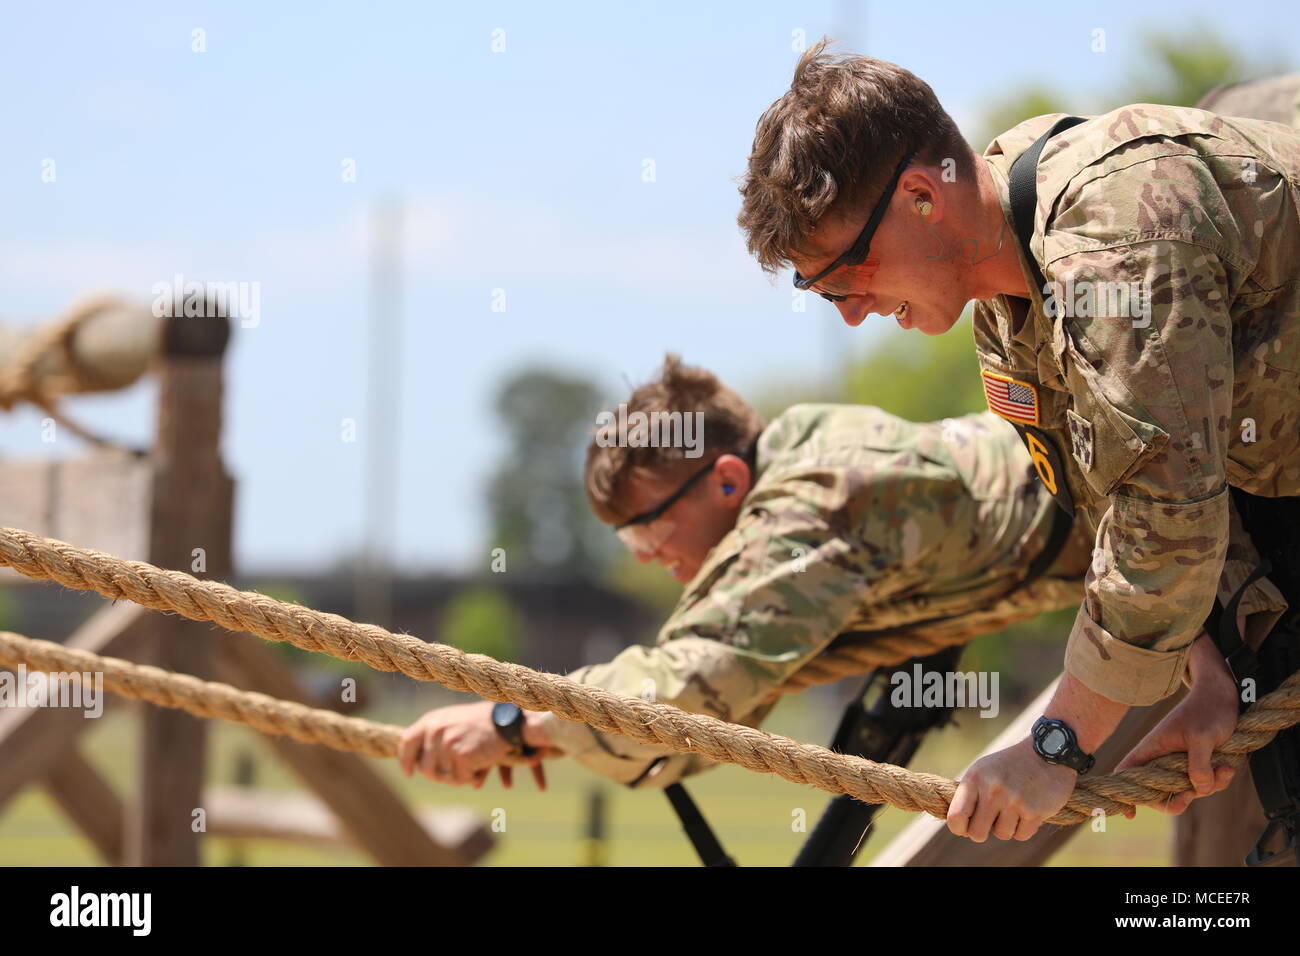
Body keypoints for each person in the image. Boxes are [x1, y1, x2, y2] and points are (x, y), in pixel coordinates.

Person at [736, 40, 1298, 843]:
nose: (851, 312)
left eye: (846, 274)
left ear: (924, 197)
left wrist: (1055, 745)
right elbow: (1127, 502)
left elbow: (1165, 519)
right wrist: (1212, 669)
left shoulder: (1114, 236)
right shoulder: (1010, 312)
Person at [399, 354, 1093, 793]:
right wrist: (549, 732)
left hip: (1152, 525)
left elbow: (687, 690)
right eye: (626, 538)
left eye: (649, 527)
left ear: (728, 480)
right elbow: (707, 722)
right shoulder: (794, 490)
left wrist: (514, 722)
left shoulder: (816, 504)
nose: (642, 554)